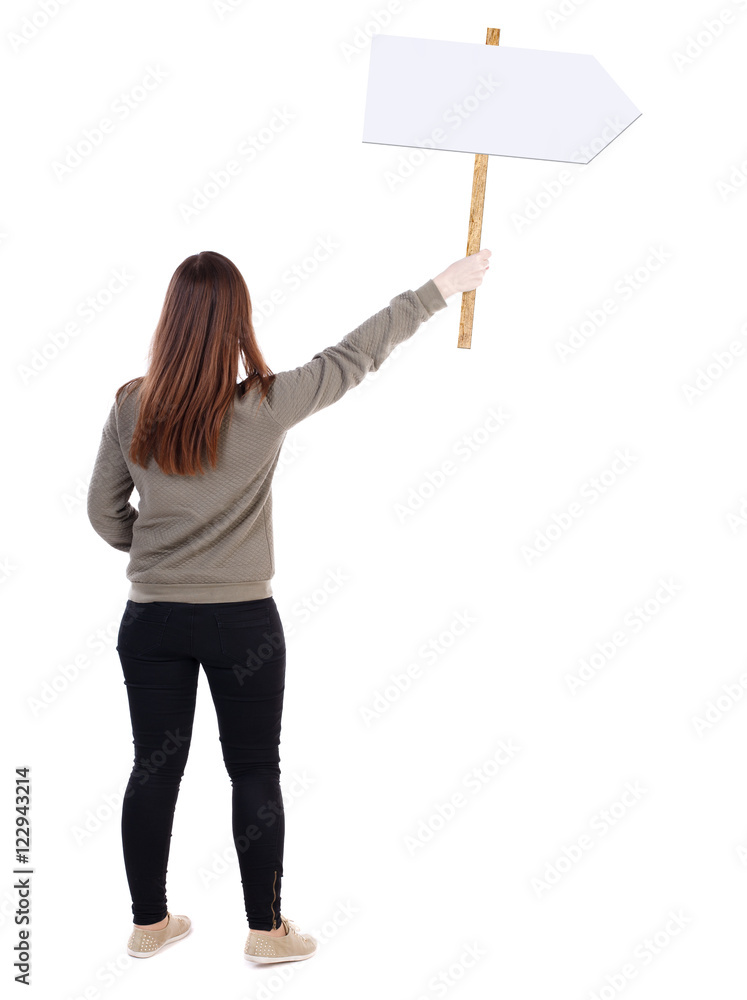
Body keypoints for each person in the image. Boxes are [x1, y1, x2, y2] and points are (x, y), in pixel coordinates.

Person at [86, 246, 491, 963]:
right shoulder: (267, 403)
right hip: (243, 622)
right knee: (253, 769)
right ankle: (267, 934)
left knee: (153, 767)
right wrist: (440, 287)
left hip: (150, 618)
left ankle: (149, 924)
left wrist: (155, 556)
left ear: (170, 322)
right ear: (236, 322)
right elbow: (355, 353)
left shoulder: (130, 402)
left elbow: (103, 513)